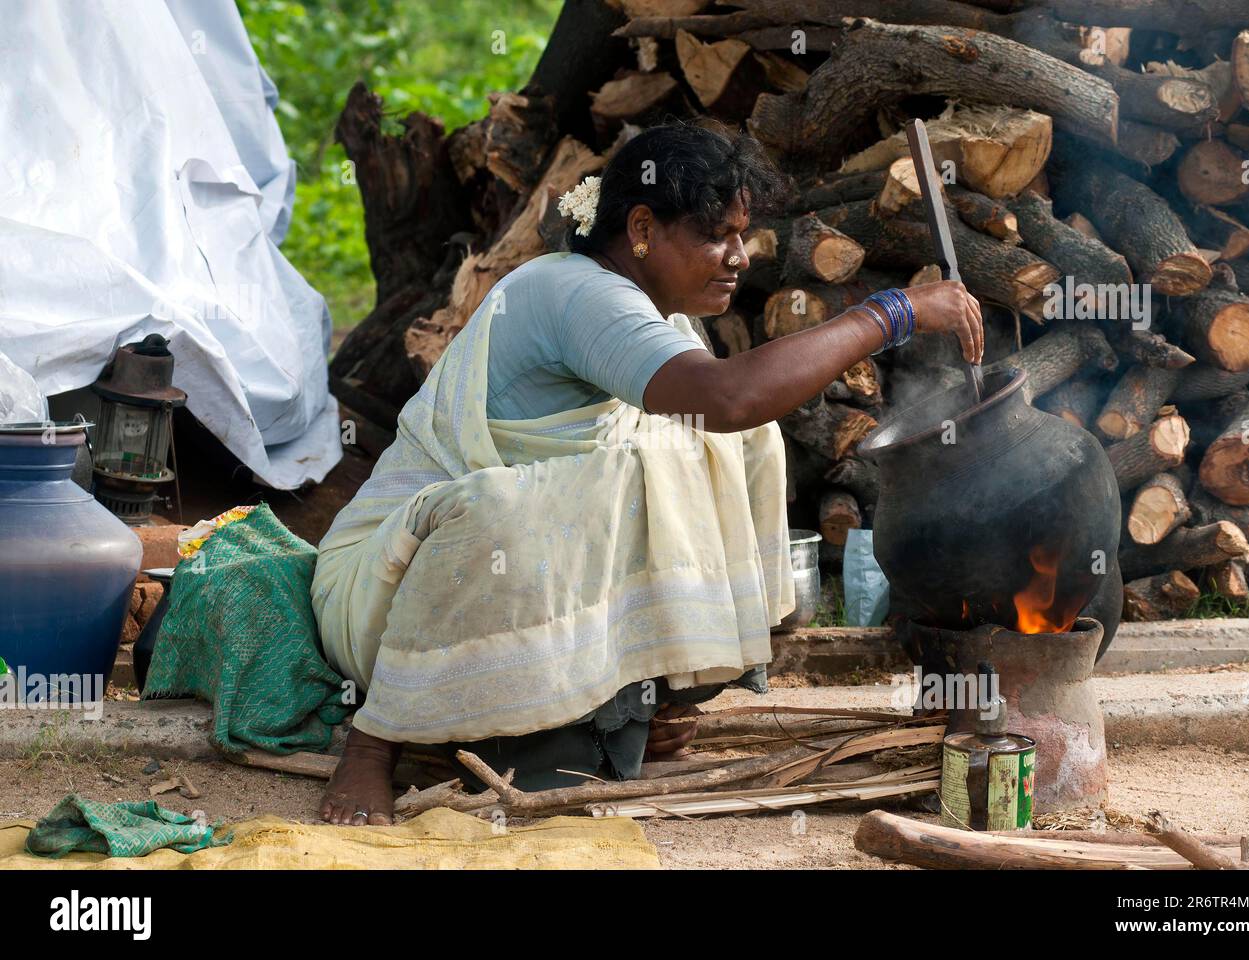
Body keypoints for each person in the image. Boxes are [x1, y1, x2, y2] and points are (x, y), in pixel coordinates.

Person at [312, 121, 983, 825]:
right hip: (383, 594)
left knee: (699, 448)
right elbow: (728, 397)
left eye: (740, 236)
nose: (737, 258)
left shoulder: (641, 303)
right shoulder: (573, 293)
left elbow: (715, 425)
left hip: (509, 598)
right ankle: (374, 740)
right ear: (640, 226)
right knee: (517, 505)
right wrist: (893, 311)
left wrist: (664, 677)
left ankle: (656, 682)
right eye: (714, 236)